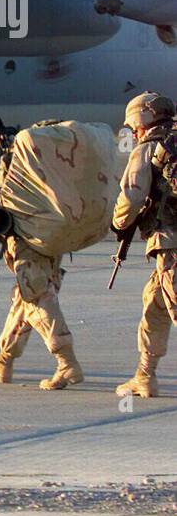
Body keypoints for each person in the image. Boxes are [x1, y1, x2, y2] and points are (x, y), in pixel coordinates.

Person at [0, 111, 81, 389]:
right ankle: (4, 360)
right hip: (53, 232)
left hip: (25, 237)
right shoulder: (27, 147)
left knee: (37, 295)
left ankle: (67, 362)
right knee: (25, 295)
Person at [113, 91, 177, 398]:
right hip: (168, 247)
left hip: (170, 244)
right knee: (155, 304)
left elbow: (133, 195)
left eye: (134, 125)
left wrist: (118, 222)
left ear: (143, 119)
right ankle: (144, 376)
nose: (133, 132)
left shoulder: (149, 148)